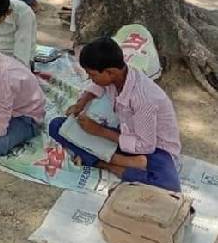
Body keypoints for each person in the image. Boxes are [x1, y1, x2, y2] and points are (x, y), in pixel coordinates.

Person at [49, 38, 181, 192]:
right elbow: (97, 87)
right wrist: (81, 103)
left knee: (168, 185)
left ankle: (110, 164)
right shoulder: (118, 76)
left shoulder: (144, 99)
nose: (90, 78)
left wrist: (99, 131)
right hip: (123, 137)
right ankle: (117, 161)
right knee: (56, 126)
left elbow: (146, 146)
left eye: (92, 74)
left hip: (154, 150)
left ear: (111, 72)